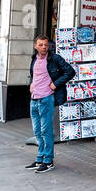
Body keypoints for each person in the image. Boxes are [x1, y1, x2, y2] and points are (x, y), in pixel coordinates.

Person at [26, 35, 75, 173]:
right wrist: (31, 84)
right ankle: (40, 158)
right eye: (41, 45)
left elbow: (70, 72)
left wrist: (55, 84)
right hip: (34, 99)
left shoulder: (54, 58)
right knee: (37, 131)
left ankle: (48, 161)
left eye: (46, 45)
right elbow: (34, 75)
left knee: (46, 131)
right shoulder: (34, 59)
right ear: (35, 45)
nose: (43, 47)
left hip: (46, 98)